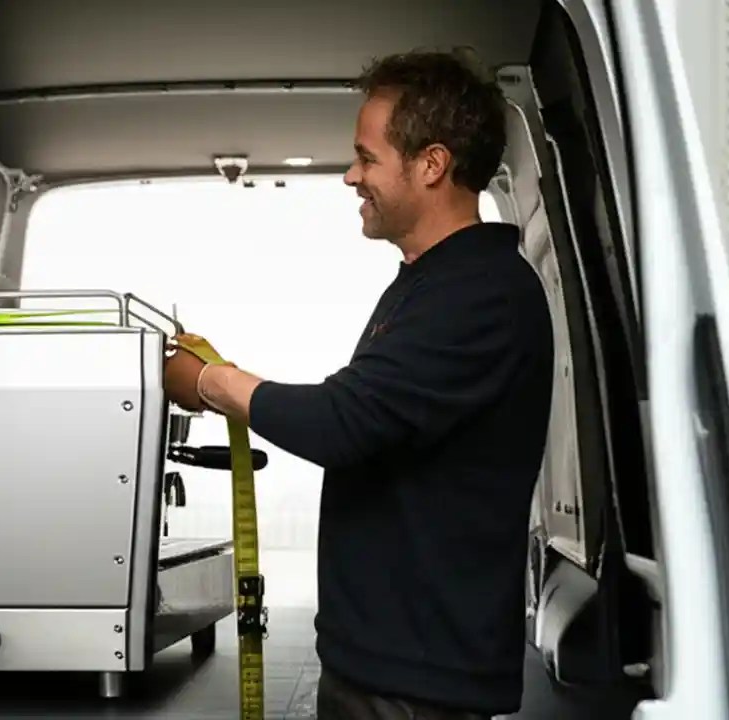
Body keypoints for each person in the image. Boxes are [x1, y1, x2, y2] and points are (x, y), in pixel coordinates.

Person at [163, 51, 554, 719]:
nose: (351, 176)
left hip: (416, 685)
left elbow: (343, 422)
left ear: (431, 164)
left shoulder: (480, 294)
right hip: (387, 667)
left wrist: (210, 384)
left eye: (367, 158)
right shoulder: (433, 284)